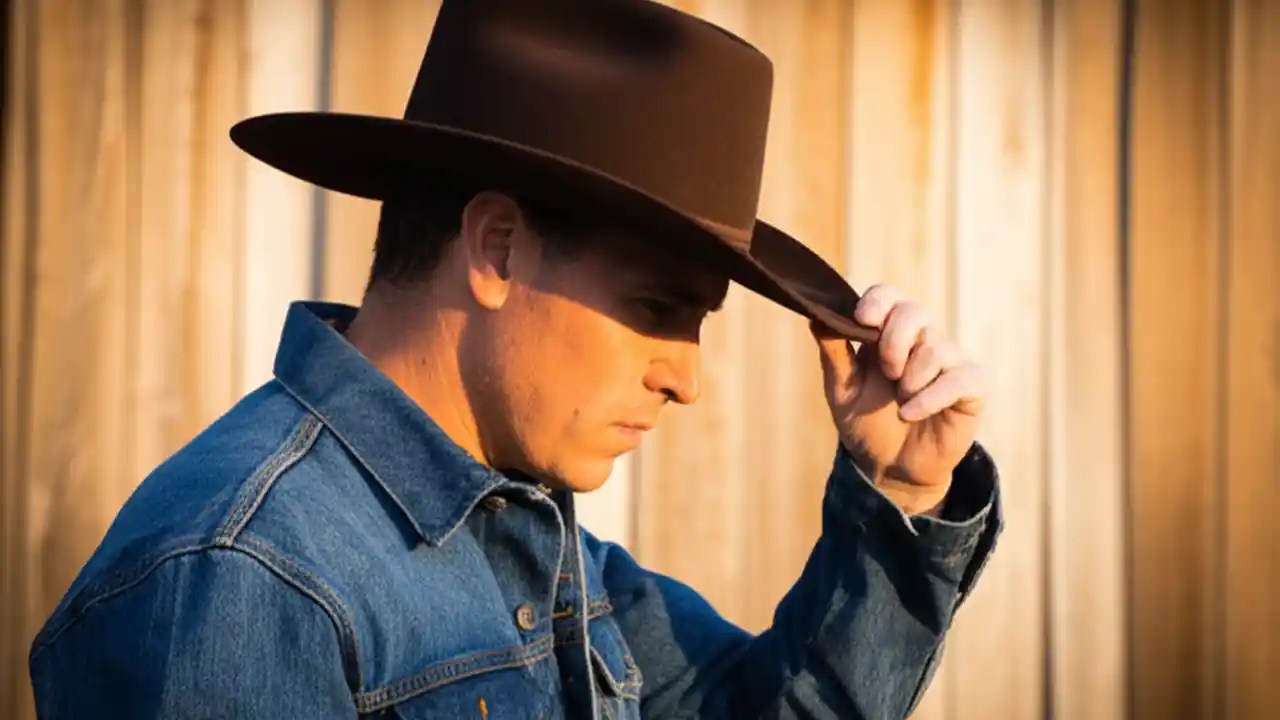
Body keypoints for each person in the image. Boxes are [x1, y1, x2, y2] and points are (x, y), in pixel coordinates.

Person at [29, 0, 1002, 717]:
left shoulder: (548, 552)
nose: (685, 379)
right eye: (656, 309)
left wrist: (898, 494)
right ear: (495, 249)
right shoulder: (240, 579)